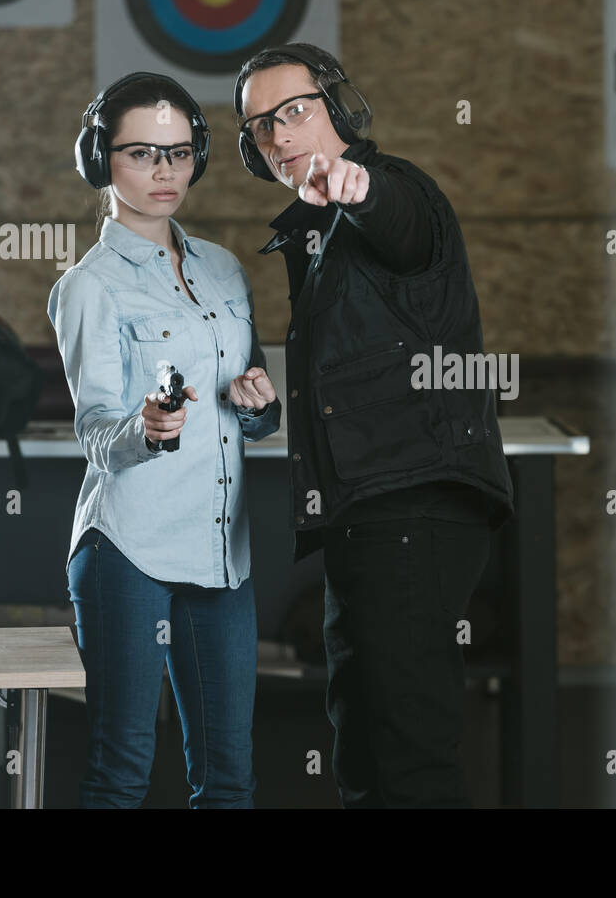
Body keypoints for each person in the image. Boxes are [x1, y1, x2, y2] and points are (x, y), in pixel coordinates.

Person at [234, 43, 515, 807]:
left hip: (413, 507)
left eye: (295, 110)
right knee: (365, 747)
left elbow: (400, 222)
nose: (281, 135)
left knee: (407, 757)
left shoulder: (393, 188)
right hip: (368, 512)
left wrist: (356, 188)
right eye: (262, 126)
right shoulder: (310, 233)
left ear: (340, 110)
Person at [46, 72, 281, 807]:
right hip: (129, 554)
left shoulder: (224, 269)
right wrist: (145, 430)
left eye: (179, 153)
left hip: (220, 555)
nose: (165, 171)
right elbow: (96, 433)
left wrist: (257, 406)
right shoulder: (89, 286)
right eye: (143, 153)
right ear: (100, 160)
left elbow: (255, 408)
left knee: (229, 777)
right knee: (123, 772)